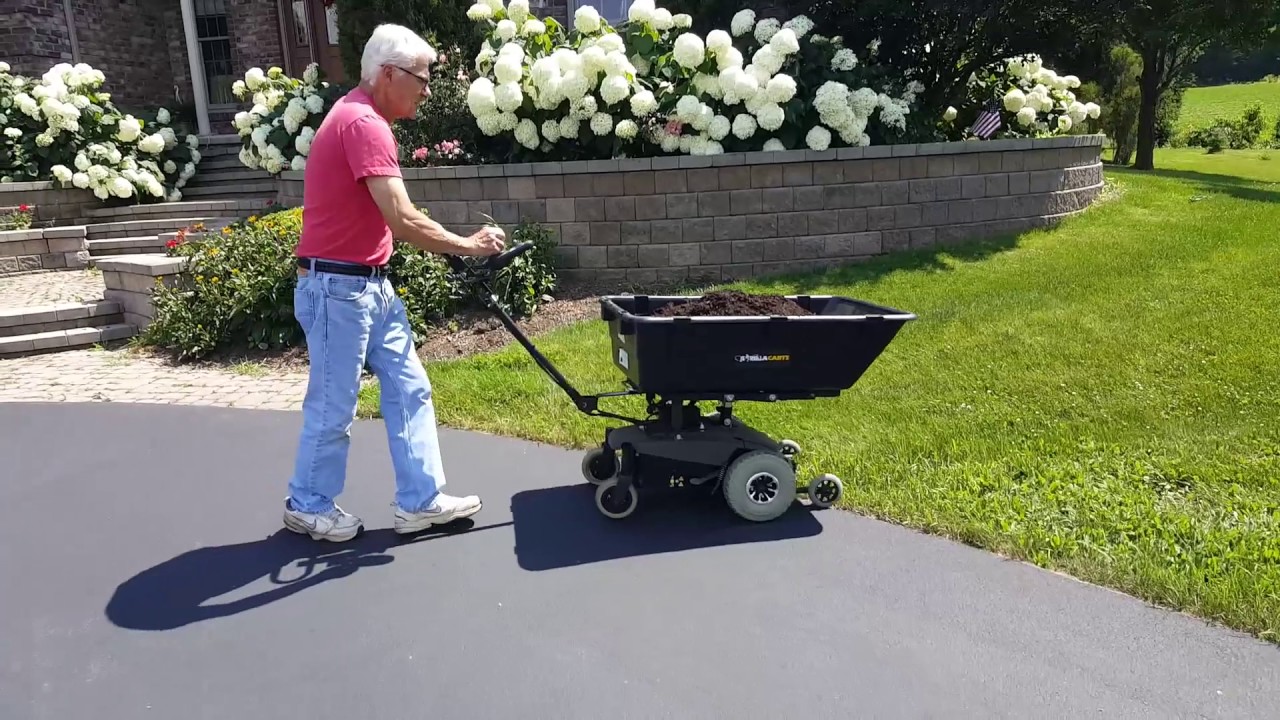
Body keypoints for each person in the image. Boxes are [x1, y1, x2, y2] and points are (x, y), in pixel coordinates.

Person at [282, 23, 506, 542]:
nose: (426, 88)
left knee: (410, 388)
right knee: (334, 404)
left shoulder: (358, 116)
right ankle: (307, 504)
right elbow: (402, 219)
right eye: (421, 78)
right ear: (388, 74)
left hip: (366, 285)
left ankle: (421, 500)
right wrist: (468, 245)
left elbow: (389, 220)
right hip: (338, 288)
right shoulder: (363, 123)